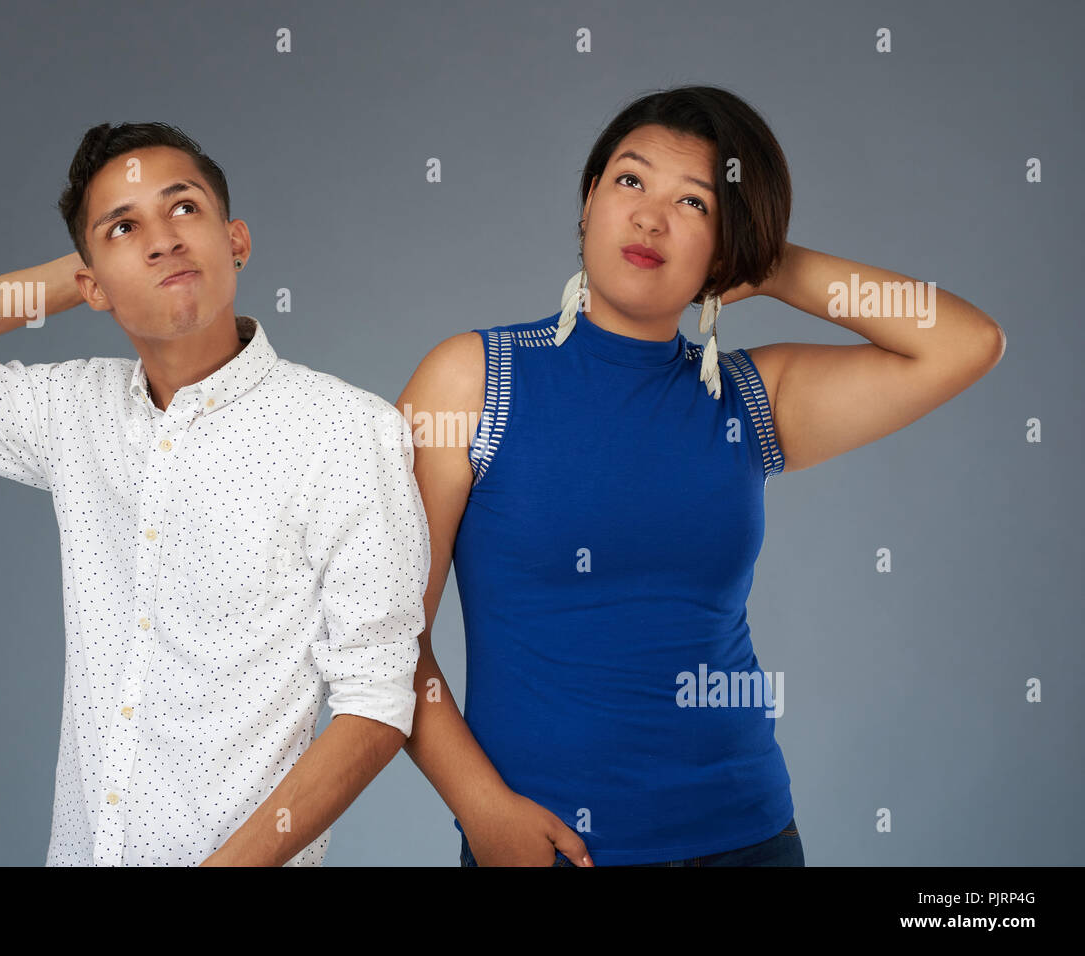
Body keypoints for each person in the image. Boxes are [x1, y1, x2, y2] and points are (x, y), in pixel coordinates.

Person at [396, 86, 1006, 867]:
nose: (651, 217)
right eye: (629, 181)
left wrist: (776, 265)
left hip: (751, 836)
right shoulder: (474, 378)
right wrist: (483, 812)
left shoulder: (751, 400)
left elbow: (967, 343)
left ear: (725, 247)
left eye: (696, 202)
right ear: (588, 203)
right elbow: (381, 629)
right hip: (549, 847)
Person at [0, 122, 430, 866]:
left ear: (236, 241)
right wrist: (89, 273)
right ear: (89, 286)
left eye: (184, 210)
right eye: (125, 226)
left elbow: (377, 706)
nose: (163, 240)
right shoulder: (74, 411)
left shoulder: (347, 432)